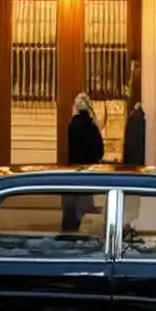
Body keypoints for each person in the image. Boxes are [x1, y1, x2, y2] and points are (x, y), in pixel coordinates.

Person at [62, 92, 104, 232]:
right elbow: (100, 150)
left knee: (71, 207)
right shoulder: (92, 125)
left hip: (73, 170)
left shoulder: (72, 124)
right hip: (89, 172)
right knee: (84, 207)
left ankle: (70, 229)